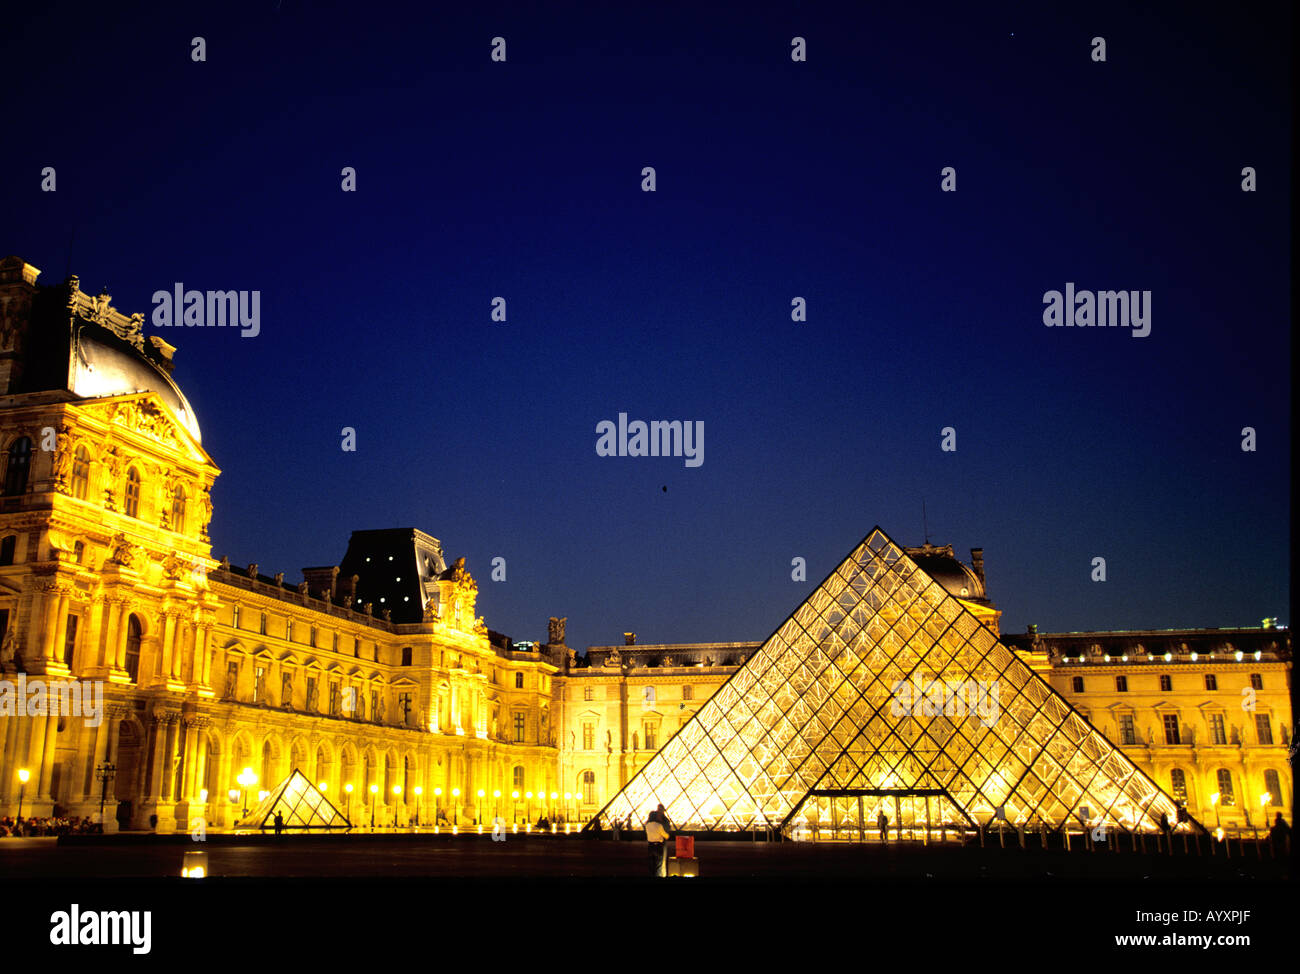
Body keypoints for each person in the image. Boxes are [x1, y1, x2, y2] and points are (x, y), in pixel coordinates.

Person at [646, 804, 673, 877]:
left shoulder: (647, 825)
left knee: (652, 865)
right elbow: (666, 835)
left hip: (650, 846)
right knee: (659, 865)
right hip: (659, 845)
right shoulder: (661, 824)